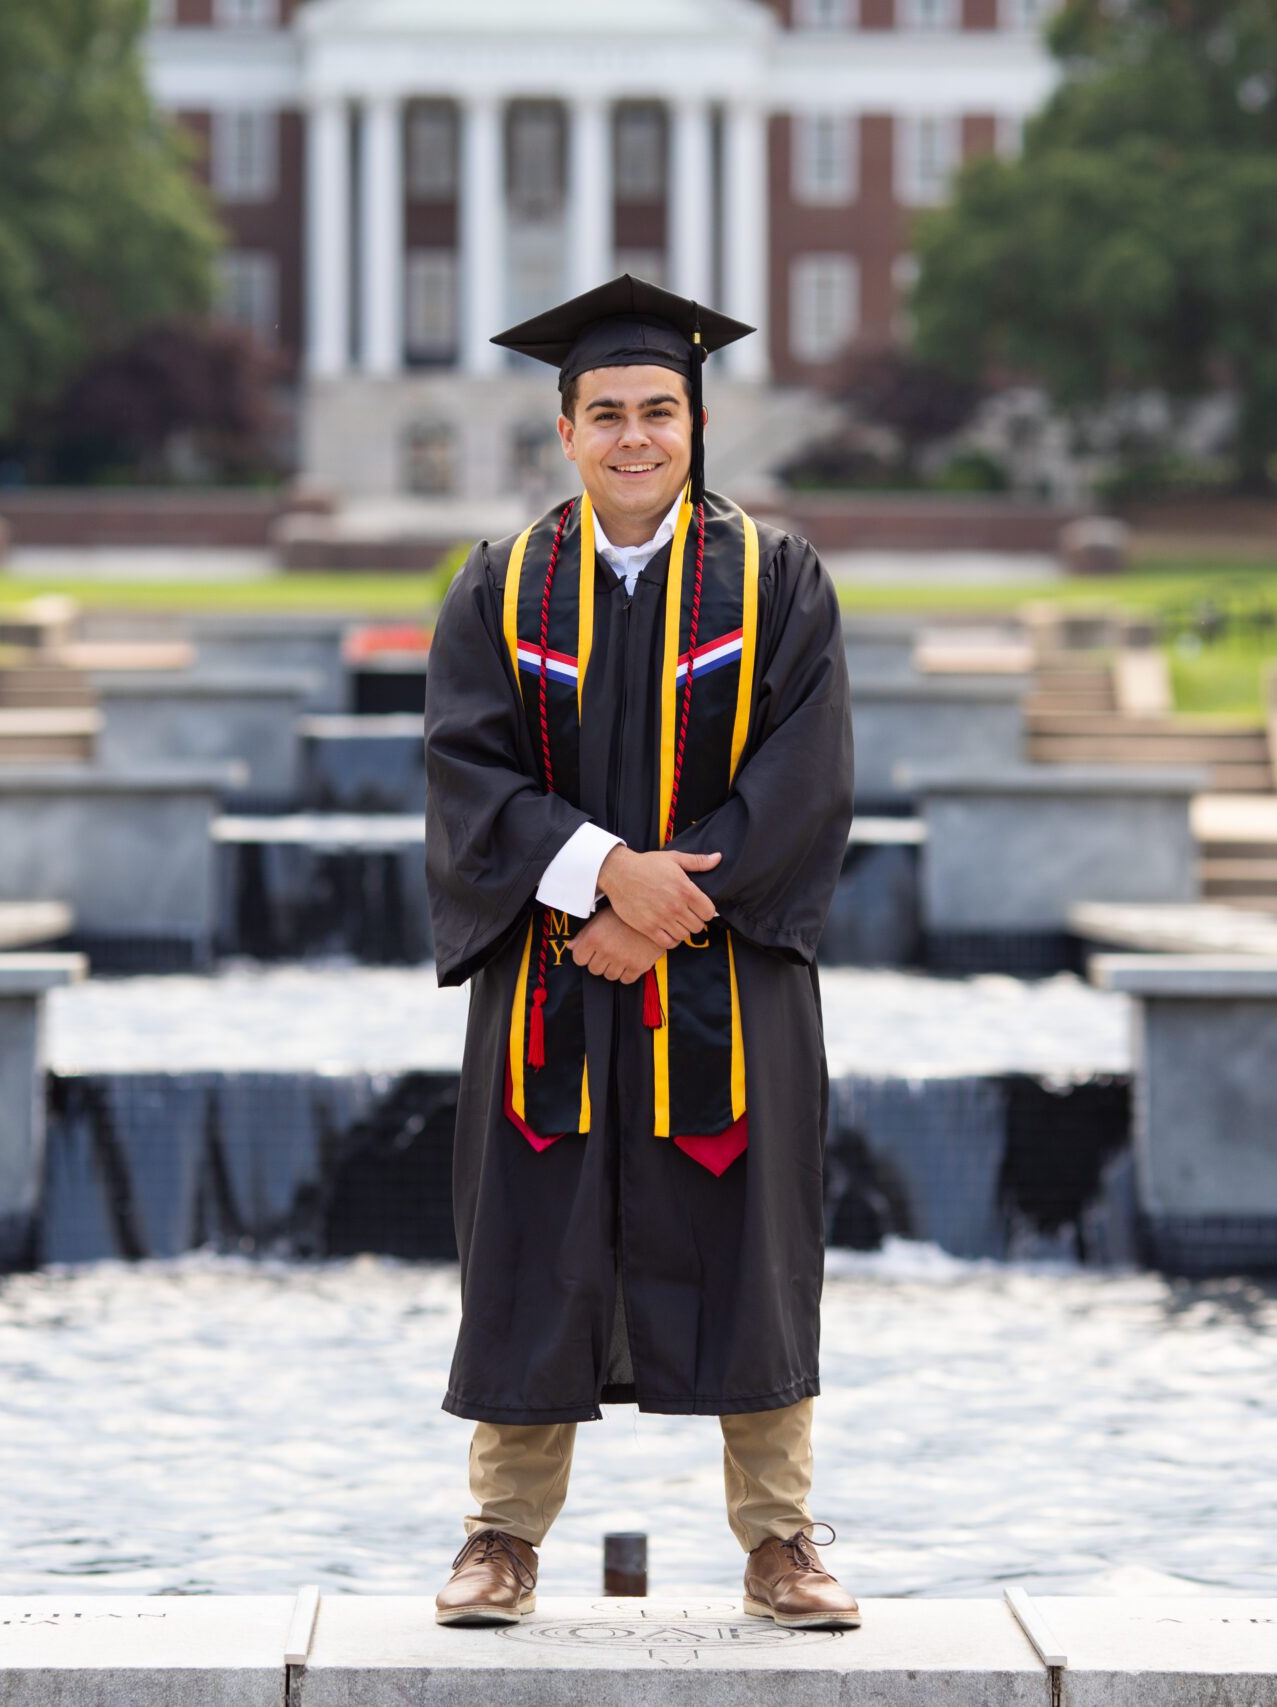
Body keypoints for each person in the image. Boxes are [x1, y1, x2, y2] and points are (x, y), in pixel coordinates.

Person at [421, 274, 857, 1630]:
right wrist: (600, 875)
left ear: (698, 419)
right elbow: (462, 769)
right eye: (604, 412)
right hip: (553, 982)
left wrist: (662, 909)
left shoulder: (777, 581)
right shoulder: (500, 589)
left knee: (754, 1240)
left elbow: (808, 777)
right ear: (564, 431)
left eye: (657, 410)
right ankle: (500, 1537)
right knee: (529, 1240)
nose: (634, 437)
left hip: (726, 979)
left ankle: (781, 1542)